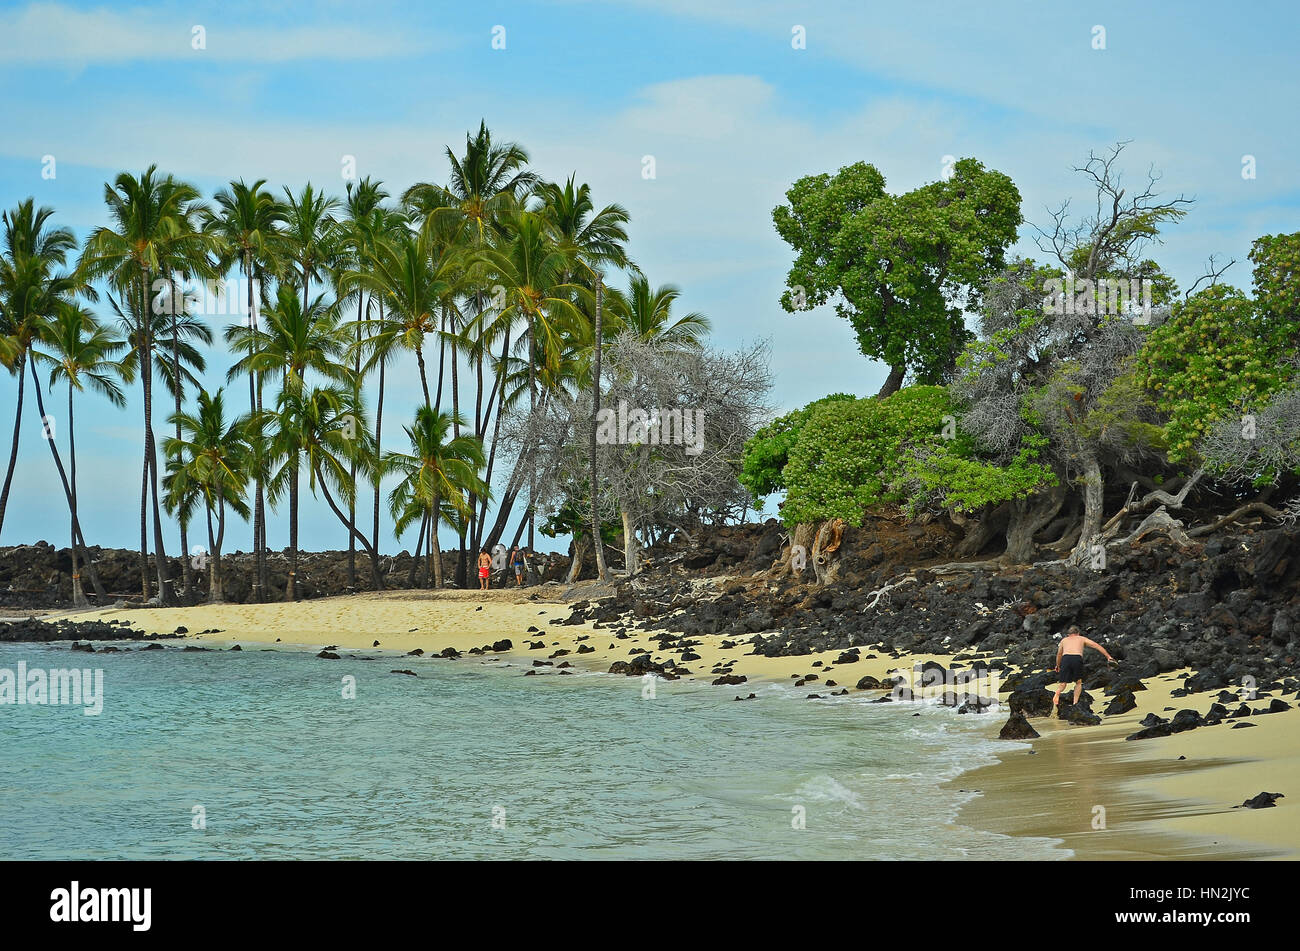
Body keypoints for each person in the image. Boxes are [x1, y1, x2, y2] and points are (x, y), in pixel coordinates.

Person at [1053, 624, 1116, 714]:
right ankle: (1075, 703)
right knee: (1078, 682)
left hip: (1065, 658)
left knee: (1063, 684)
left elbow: (1059, 654)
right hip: (1076, 658)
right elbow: (1096, 645)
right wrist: (1108, 657)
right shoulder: (1081, 639)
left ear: (1068, 634)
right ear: (1078, 633)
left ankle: (1057, 693)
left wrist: (1058, 665)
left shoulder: (1064, 640)